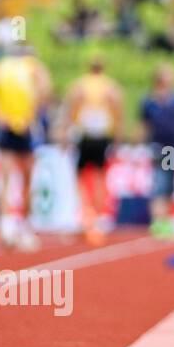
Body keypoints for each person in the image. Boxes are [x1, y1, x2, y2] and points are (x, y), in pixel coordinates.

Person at [0, 45, 51, 251]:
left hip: (5, 125)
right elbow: (45, 90)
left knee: (6, 178)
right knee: (27, 179)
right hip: (26, 126)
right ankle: (25, 228)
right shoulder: (34, 67)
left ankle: (6, 227)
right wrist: (33, 114)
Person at [62, 58, 124, 246]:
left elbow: (72, 107)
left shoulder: (80, 85)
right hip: (101, 135)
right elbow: (118, 110)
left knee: (81, 176)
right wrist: (118, 136)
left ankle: (87, 214)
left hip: (85, 134)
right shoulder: (110, 86)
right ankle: (97, 217)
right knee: (98, 176)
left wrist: (66, 132)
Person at [140, 65, 174, 241]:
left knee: (169, 185)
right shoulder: (151, 102)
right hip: (161, 147)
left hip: (171, 148)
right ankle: (159, 221)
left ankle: (165, 220)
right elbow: (144, 126)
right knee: (161, 183)